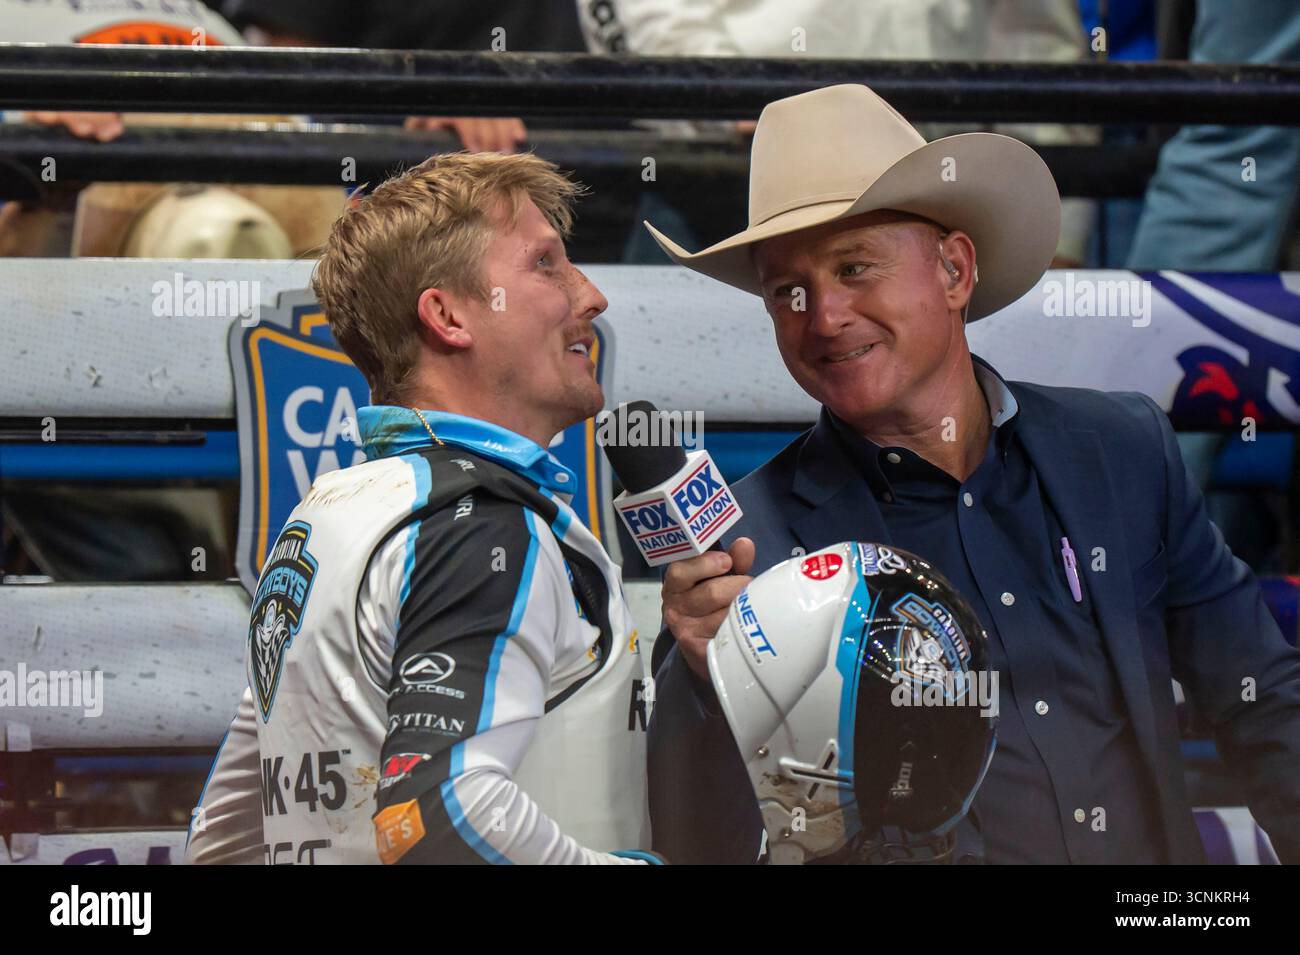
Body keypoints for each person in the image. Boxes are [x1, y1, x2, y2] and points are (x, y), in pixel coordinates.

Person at [645, 83, 1300, 865]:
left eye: (855, 267)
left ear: (955, 271)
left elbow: (1265, 703)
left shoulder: (1122, 449)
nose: (822, 316)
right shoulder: (743, 549)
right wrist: (702, 680)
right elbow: (702, 845)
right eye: (788, 290)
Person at [186, 152, 654, 864]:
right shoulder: (483, 523)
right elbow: (440, 812)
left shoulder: (325, 517)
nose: (590, 295)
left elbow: (220, 844)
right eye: (547, 265)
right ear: (448, 314)